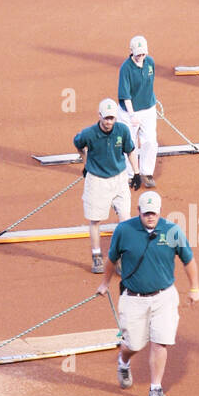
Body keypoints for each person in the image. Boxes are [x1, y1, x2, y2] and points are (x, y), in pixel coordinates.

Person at [97, 190, 199, 396]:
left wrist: (194, 288)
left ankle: (155, 388)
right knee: (134, 343)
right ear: (139, 212)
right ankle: (124, 361)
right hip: (134, 298)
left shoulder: (172, 231)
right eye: (146, 214)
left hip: (164, 297)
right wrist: (105, 283)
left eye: (153, 213)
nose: (150, 217)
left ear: (160, 212)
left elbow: (188, 260)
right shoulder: (124, 230)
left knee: (160, 341)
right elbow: (111, 260)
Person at [73, 98, 136, 274]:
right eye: (106, 118)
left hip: (119, 179)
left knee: (125, 219)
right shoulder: (89, 133)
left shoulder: (122, 130)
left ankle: (121, 258)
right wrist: (85, 165)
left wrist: (137, 173)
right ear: (99, 115)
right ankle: (96, 255)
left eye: (112, 118)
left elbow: (130, 150)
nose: (109, 122)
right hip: (97, 180)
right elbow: (79, 145)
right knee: (95, 220)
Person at [118, 34, 158, 191]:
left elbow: (149, 84)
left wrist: (150, 101)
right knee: (130, 143)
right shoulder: (125, 69)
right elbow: (125, 94)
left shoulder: (150, 63)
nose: (141, 56)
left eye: (143, 53)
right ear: (131, 51)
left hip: (148, 109)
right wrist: (132, 114)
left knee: (150, 141)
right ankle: (129, 174)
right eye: (138, 53)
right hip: (129, 112)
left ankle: (146, 173)